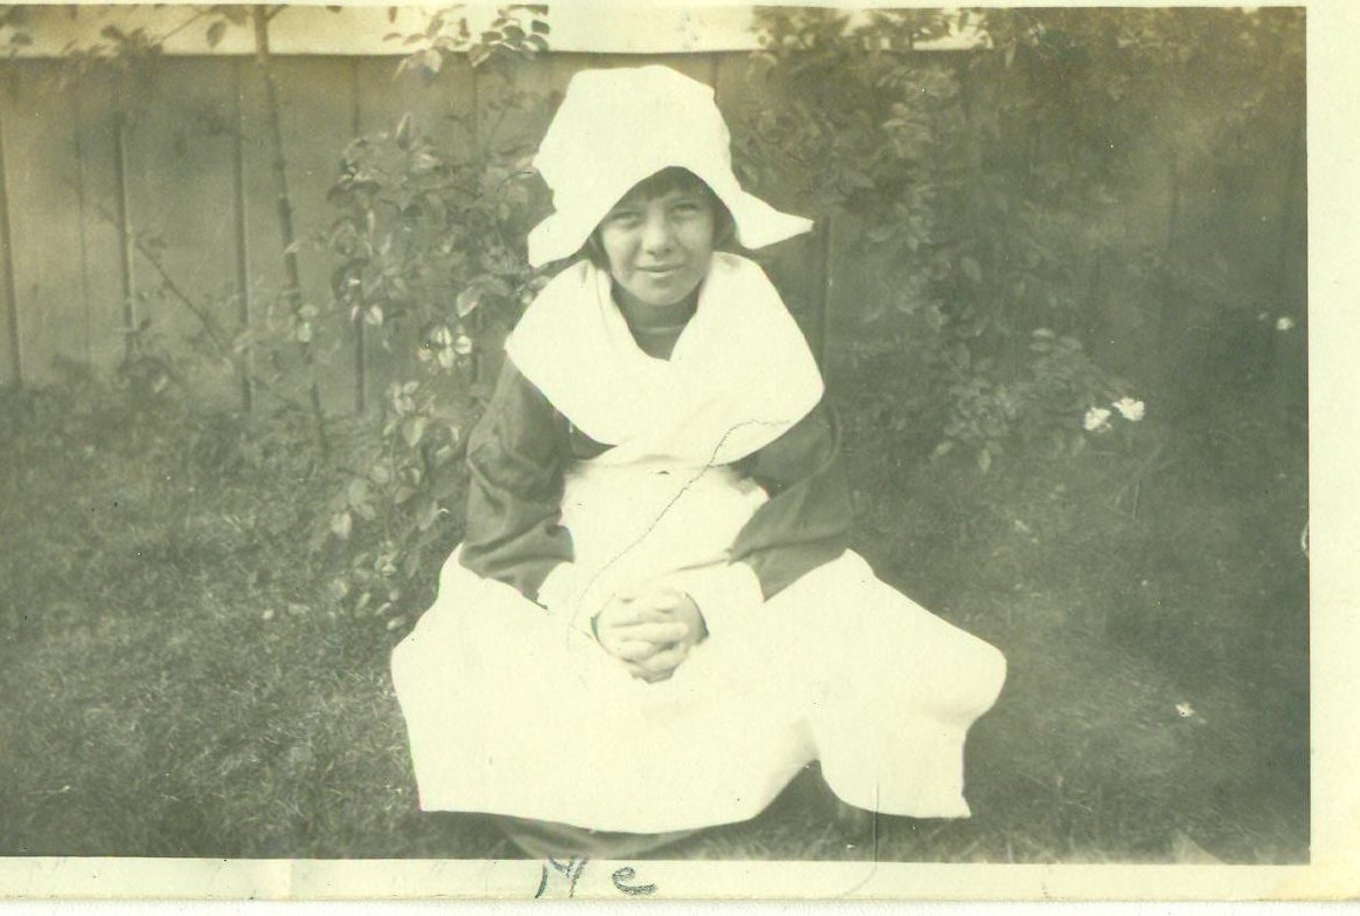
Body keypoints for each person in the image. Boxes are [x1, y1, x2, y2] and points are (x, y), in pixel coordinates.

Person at [390, 65, 1007, 858]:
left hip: (726, 543)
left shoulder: (752, 315)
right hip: (586, 550)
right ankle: (736, 765)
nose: (658, 243)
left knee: (848, 626)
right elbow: (503, 503)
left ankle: (788, 756)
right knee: (476, 646)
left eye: (684, 210)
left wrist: (706, 606)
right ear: (591, 231)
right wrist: (592, 606)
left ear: (718, 218)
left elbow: (809, 498)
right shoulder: (556, 331)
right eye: (626, 217)